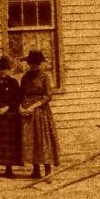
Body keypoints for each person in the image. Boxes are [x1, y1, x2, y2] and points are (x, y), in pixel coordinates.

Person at [19, 50, 60, 179]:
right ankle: (35, 170)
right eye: (31, 63)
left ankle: (47, 169)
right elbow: (21, 94)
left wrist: (34, 106)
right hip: (27, 112)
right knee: (30, 139)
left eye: (36, 63)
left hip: (40, 111)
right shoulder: (25, 77)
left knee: (42, 139)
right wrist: (20, 106)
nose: (33, 66)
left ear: (40, 64)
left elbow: (48, 95)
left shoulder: (44, 76)